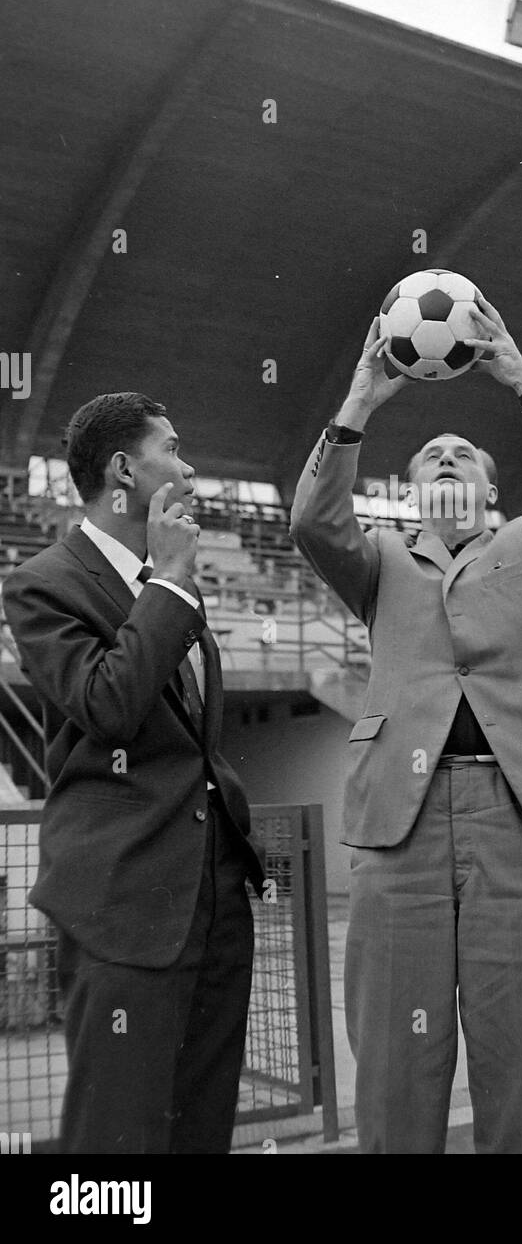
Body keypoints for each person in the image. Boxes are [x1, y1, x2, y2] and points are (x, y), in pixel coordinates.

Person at [291, 297, 522, 1153]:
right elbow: (310, 521)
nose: (445, 457)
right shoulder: (379, 560)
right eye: (429, 454)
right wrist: (360, 400)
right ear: (409, 490)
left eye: (462, 452)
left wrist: (519, 377)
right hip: (402, 826)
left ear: (491, 487)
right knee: (395, 1060)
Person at [2, 392, 263, 1154]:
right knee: (118, 1135)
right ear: (124, 469)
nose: (188, 469)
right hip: (123, 903)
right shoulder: (44, 583)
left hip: (210, 897)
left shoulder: (164, 579)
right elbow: (107, 704)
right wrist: (173, 584)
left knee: (201, 1120)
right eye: (173, 450)